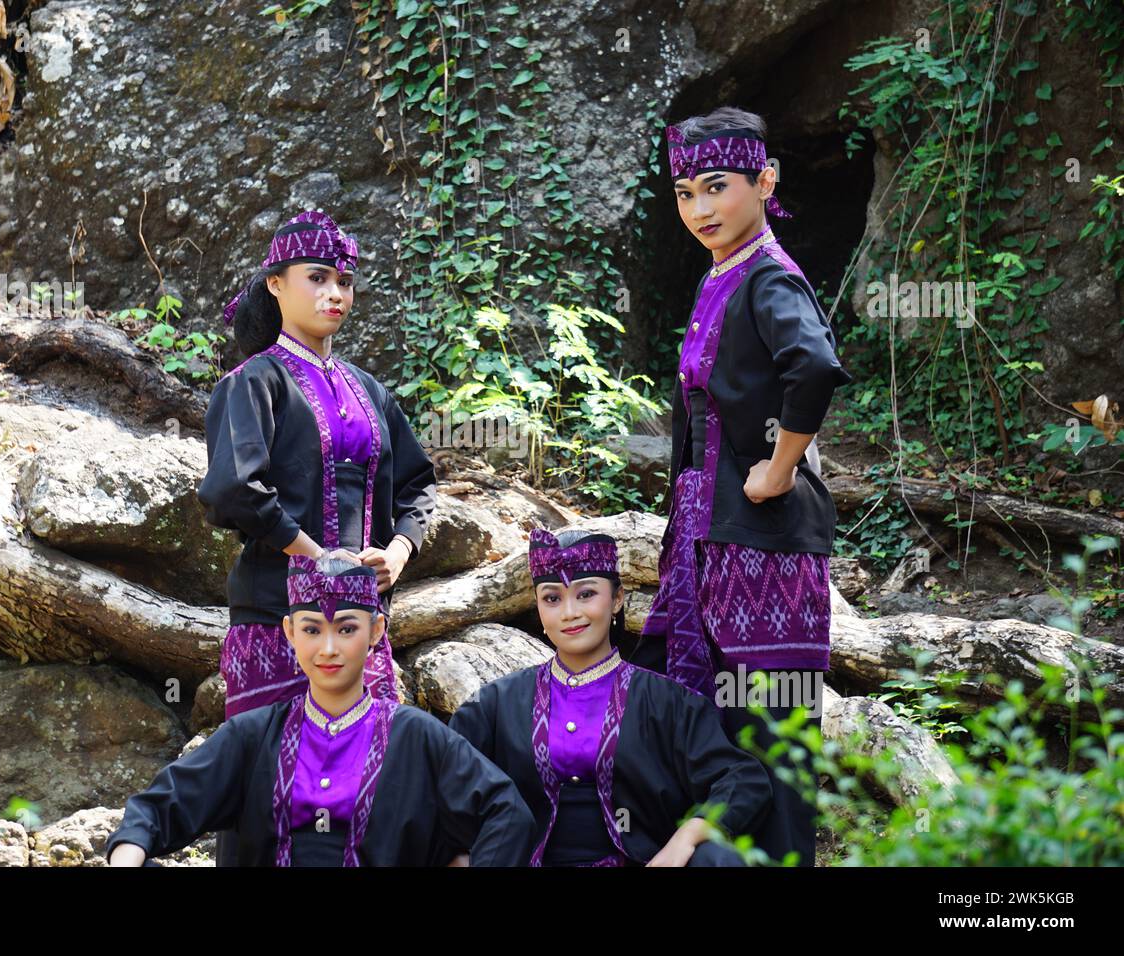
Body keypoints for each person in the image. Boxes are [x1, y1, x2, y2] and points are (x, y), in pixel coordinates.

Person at [633, 106, 854, 866]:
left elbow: (815, 366)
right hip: (712, 541)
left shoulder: (768, 276)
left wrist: (781, 466)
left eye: (716, 187)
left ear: (765, 180)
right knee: (712, 731)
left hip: (765, 548)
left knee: (774, 737)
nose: (699, 209)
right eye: (685, 192)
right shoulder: (723, 274)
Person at [106, 554, 534, 867]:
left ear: (375, 631)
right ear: (290, 633)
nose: (328, 648)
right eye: (312, 629)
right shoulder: (253, 735)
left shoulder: (415, 736)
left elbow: (506, 812)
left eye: (347, 628)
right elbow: (157, 809)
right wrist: (127, 854)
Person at [198, 208, 437, 718]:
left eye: (345, 281)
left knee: (371, 781)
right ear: (276, 284)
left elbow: (418, 484)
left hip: (361, 626)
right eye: (318, 278)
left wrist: (397, 552)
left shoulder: (372, 393)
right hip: (275, 621)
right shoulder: (253, 382)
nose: (335, 293)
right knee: (272, 780)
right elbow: (235, 489)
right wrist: (317, 558)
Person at [446, 528, 773, 867]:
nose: (569, 612)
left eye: (586, 594)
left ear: (617, 599)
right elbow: (438, 783)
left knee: (716, 858)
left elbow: (741, 779)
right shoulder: (496, 704)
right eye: (552, 598)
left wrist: (688, 837)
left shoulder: (668, 703)